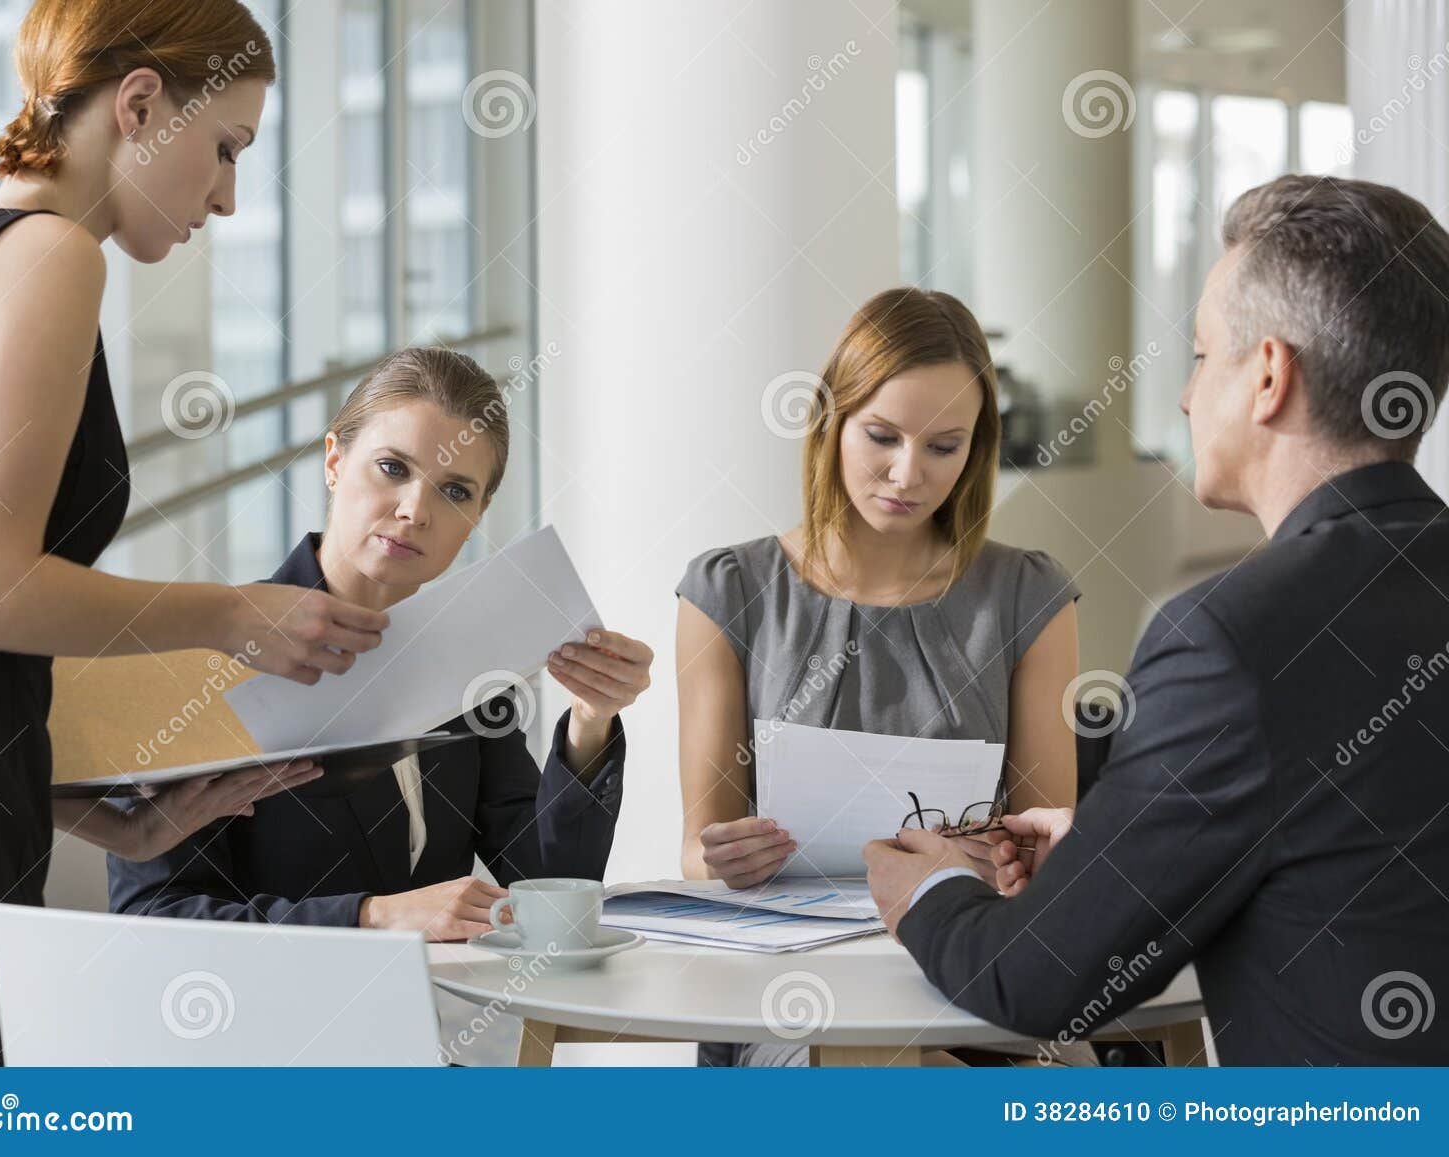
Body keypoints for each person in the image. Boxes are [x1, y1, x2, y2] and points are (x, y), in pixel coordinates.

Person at [0, 0, 392, 1066]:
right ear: (139, 102)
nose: (228, 197)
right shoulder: (52, 256)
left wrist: (115, 823)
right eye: (225, 148)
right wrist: (235, 612)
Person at [867, 174, 1449, 1065]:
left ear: (1266, 376)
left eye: (1201, 355)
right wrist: (1115, 842)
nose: (1183, 395)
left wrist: (931, 888)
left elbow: (1037, 981)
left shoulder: (1229, 636)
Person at [109, 348, 652, 938]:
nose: (415, 509)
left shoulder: (467, 664)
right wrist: (371, 917)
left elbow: (550, 884)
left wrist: (591, 720)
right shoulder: (205, 660)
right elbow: (154, 916)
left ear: (479, 513)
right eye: (393, 468)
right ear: (334, 460)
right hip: (264, 1021)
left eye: (454, 491)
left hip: (442, 1019)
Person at [676, 287, 1086, 1066]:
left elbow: (1048, 847)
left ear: (977, 448)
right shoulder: (727, 591)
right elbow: (698, 852)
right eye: (882, 435)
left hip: (973, 976)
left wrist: (1004, 861)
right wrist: (723, 857)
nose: (907, 473)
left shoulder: (1029, 595)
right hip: (792, 993)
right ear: (829, 421)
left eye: (944, 445)